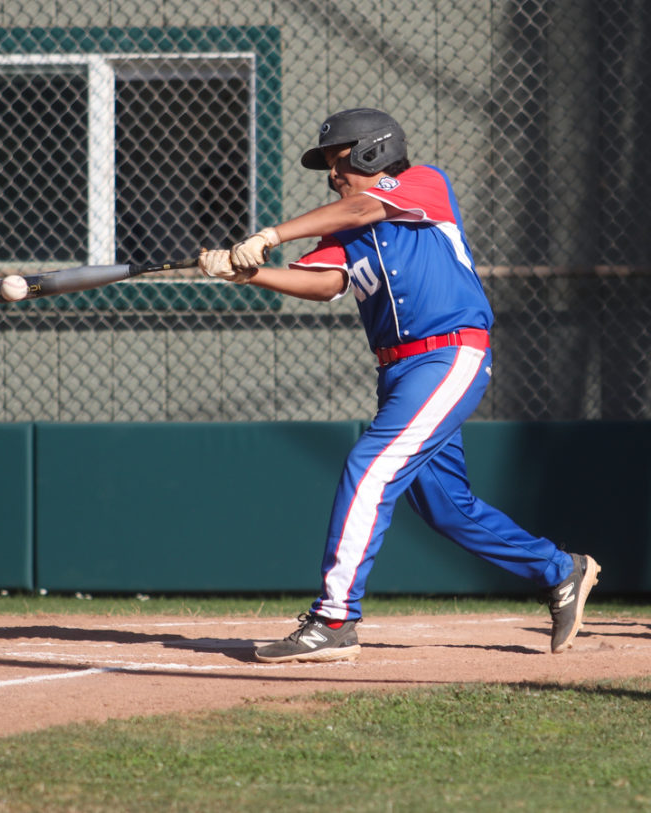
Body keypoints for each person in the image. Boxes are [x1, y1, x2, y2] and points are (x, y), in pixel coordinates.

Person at [198, 108, 601, 663]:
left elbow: (365, 205)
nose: (332, 174)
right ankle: (560, 570)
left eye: (339, 160)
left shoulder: (422, 183)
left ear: (374, 151)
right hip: (397, 372)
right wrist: (250, 274)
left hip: (448, 354)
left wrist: (270, 234)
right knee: (444, 505)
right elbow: (325, 283)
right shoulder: (346, 230)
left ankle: (334, 619)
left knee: (370, 466)